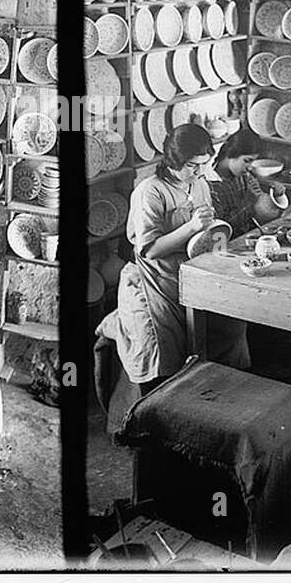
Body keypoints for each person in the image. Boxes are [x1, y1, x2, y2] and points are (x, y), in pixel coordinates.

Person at [102, 122, 248, 393]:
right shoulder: (150, 191)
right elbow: (149, 250)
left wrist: (221, 246)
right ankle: (158, 411)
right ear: (174, 161)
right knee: (162, 350)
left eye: (205, 164)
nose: (201, 172)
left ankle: (214, 400)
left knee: (230, 324)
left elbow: (206, 232)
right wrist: (191, 226)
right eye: (194, 165)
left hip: (190, 271)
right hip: (153, 278)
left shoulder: (200, 184)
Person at [209, 127, 282, 237]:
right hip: (227, 243)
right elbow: (221, 230)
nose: (249, 168)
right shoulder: (210, 185)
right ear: (230, 154)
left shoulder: (245, 176)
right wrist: (248, 202)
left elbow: (260, 206)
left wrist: (275, 195)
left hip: (250, 235)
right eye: (247, 161)